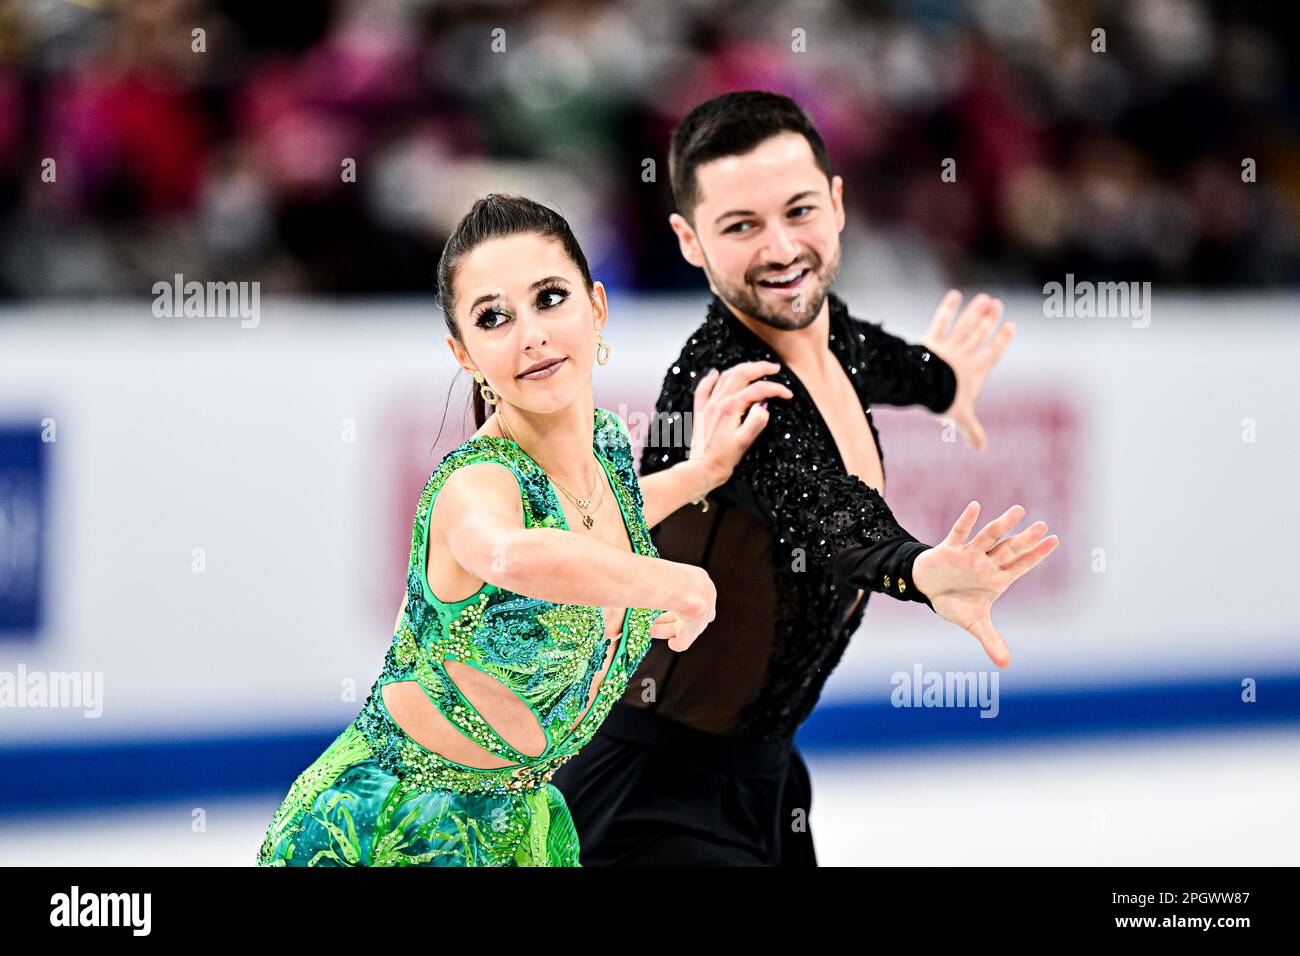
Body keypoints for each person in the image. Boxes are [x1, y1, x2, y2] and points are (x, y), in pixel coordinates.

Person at [552, 91, 1059, 866]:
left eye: (798, 211)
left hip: (766, 784)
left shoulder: (832, 335)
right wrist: (918, 569)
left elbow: (887, 361)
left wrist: (944, 381)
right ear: (690, 242)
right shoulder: (729, 380)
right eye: (741, 226)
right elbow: (823, 506)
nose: (782, 248)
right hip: (651, 799)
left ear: (838, 202)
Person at [255, 193, 788, 866]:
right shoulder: (476, 483)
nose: (531, 333)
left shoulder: (603, 448)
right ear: (464, 352)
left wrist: (702, 471)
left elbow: (597, 518)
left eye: (549, 298)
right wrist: (669, 581)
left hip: (510, 830)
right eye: (493, 317)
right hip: (384, 831)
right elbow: (510, 554)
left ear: (596, 307)